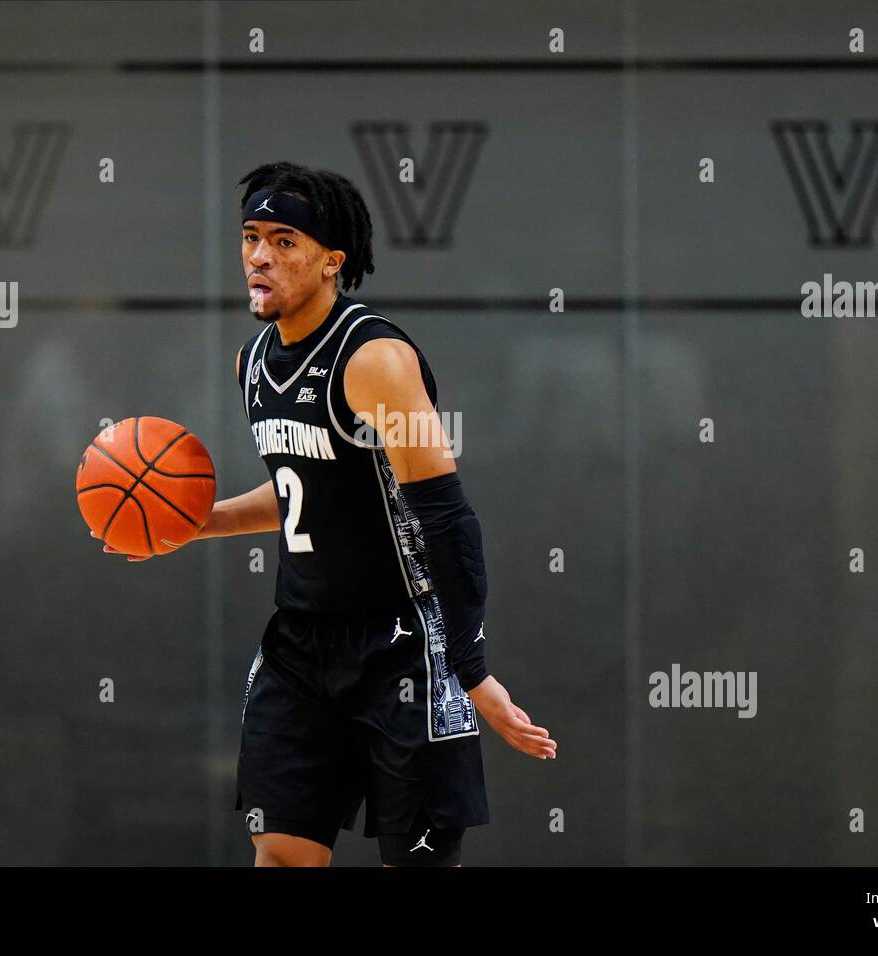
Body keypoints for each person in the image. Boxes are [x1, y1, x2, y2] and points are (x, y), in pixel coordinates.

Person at [100, 161, 556, 866]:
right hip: (301, 647)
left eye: (285, 241)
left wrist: (471, 668)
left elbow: (446, 519)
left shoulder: (374, 360)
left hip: (402, 643)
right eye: (251, 237)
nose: (259, 256)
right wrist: (191, 522)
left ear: (330, 261)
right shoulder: (252, 363)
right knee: (281, 854)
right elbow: (299, 492)